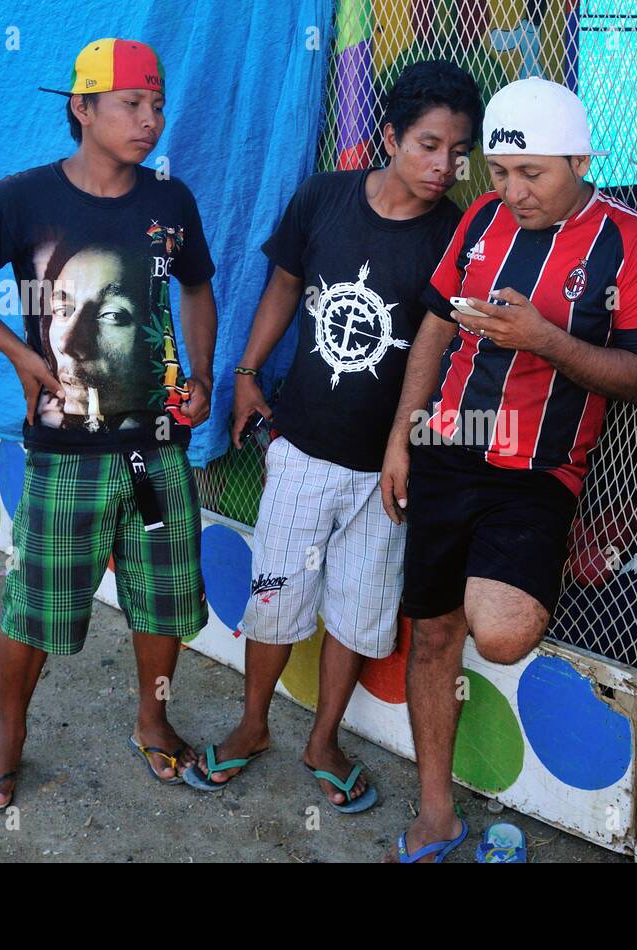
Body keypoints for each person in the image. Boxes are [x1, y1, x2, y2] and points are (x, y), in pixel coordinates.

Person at [0, 38, 219, 811]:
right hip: (67, 455)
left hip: (156, 454)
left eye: (157, 105)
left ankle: (153, 717)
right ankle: (10, 734)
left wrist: (205, 374)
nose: (150, 120)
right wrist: (18, 352)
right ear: (81, 109)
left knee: (164, 594)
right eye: (131, 104)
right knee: (40, 603)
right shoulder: (22, 200)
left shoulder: (169, 202)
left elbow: (198, 288)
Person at [181, 61, 482, 812]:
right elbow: (283, 283)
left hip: (389, 470)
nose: (445, 165)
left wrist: (409, 444)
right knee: (275, 595)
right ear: (389, 138)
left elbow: (442, 348)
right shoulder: (324, 195)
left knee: (359, 609)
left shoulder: (460, 235)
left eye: (459, 150)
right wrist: (248, 370)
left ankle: (323, 739)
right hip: (305, 447)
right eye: (428, 144)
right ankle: (251, 725)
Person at [381, 77, 637, 861]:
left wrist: (542, 337)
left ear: (579, 159)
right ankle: (436, 812)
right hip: (446, 445)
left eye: (532, 174)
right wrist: (403, 436)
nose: (512, 191)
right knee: (432, 632)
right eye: (501, 173)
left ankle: (555, 560)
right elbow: (435, 327)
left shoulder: (629, 241)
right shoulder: (480, 219)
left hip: (539, 466)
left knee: (500, 633)